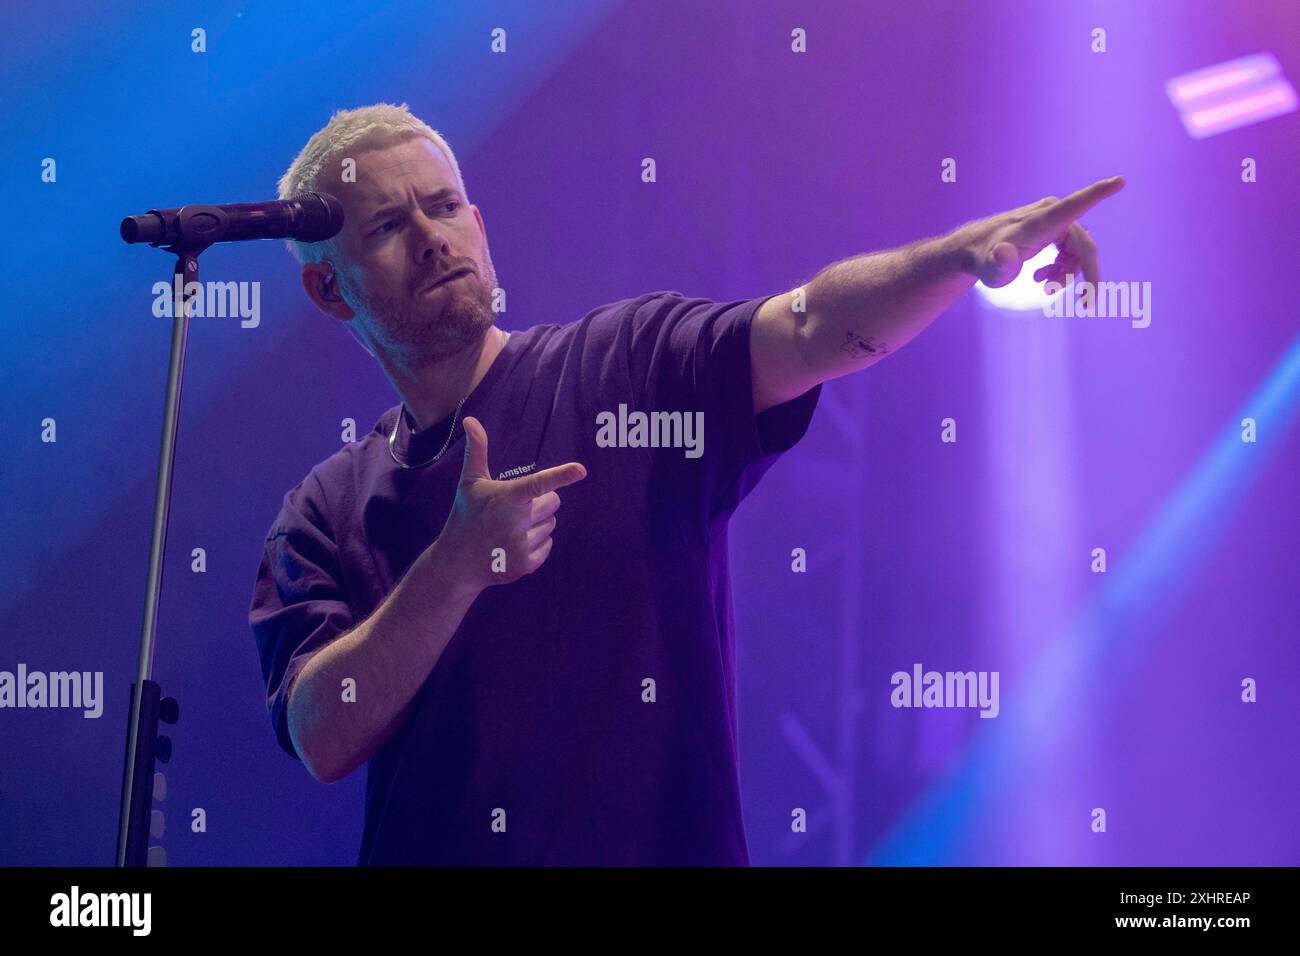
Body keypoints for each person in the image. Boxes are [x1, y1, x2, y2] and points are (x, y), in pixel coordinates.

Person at [249, 102, 1123, 865]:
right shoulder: (322, 511)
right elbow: (321, 736)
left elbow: (812, 326)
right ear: (328, 289)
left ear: (480, 221)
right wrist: (455, 567)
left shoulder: (623, 364)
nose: (433, 237)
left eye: (444, 207)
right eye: (388, 226)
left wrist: (959, 257)